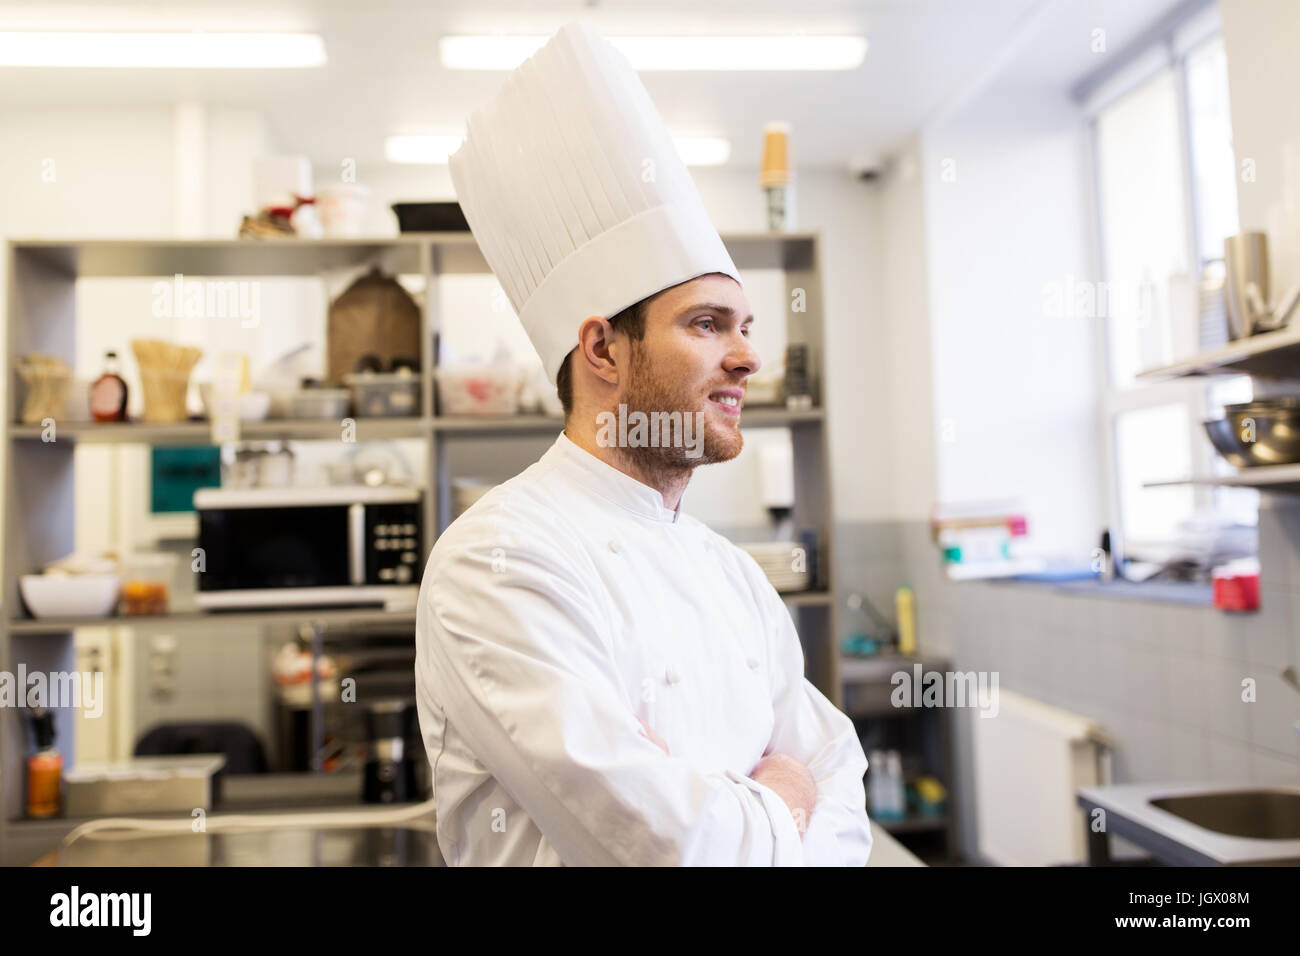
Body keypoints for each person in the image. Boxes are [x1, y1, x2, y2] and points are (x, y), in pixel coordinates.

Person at [414, 20, 872, 866]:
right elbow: (671, 850)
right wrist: (786, 795)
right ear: (602, 351)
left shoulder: (728, 570)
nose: (747, 357)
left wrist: (773, 812)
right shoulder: (499, 558)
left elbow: (842, 779)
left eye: (745, 327)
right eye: (707, 324)